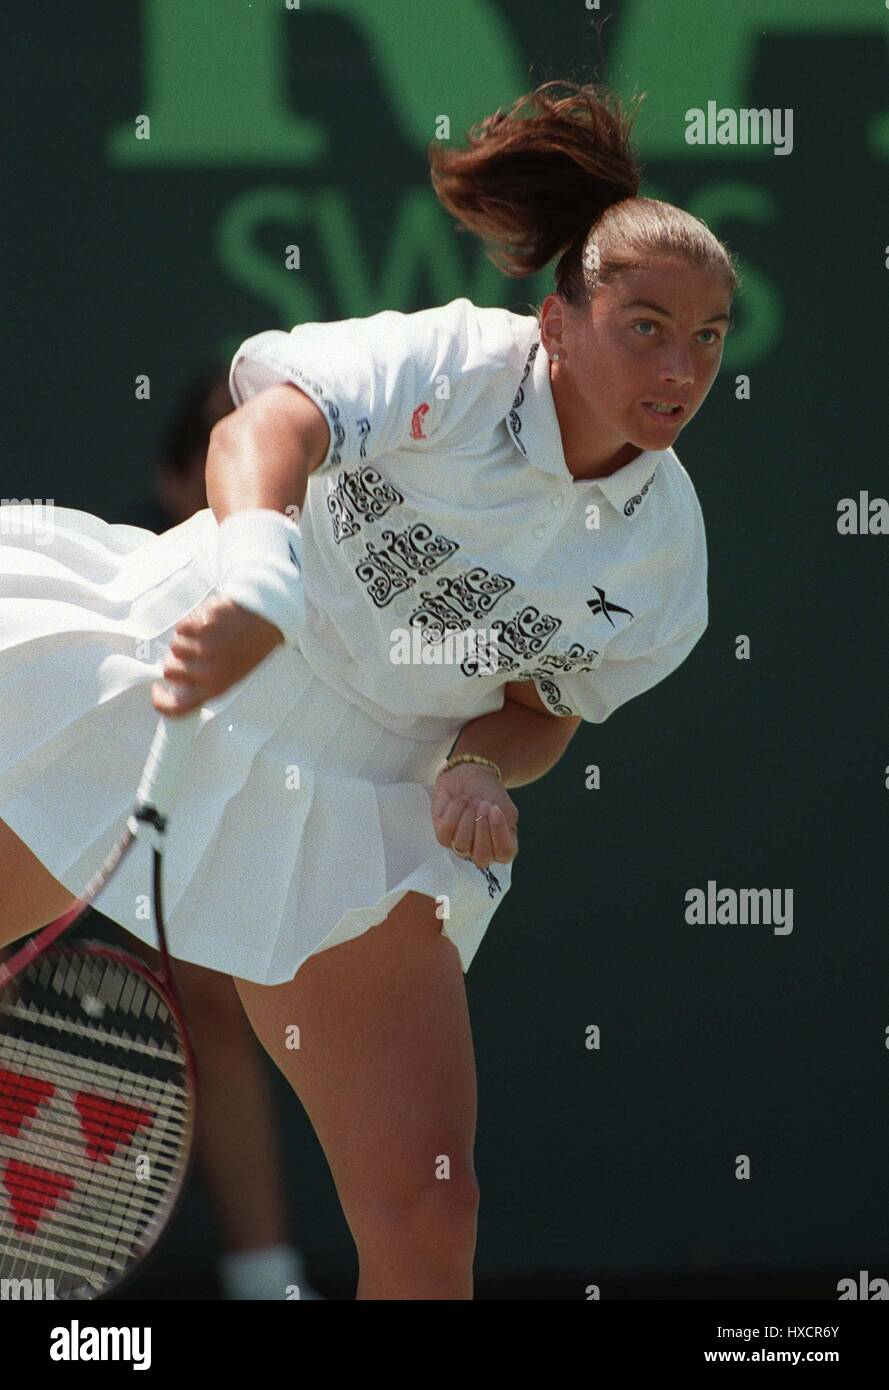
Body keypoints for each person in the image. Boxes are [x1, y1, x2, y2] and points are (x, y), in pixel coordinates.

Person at [0, 78, 737, 1299]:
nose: (682, 365)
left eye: (709, 334)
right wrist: (256, 584)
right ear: (556, 325)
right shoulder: (457, 358)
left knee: (428, 1206)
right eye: (645, 325)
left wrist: (480, 766)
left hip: (358, 803)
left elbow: (543, 710)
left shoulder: (660, 566)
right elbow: (264, 429)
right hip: (167, 663)